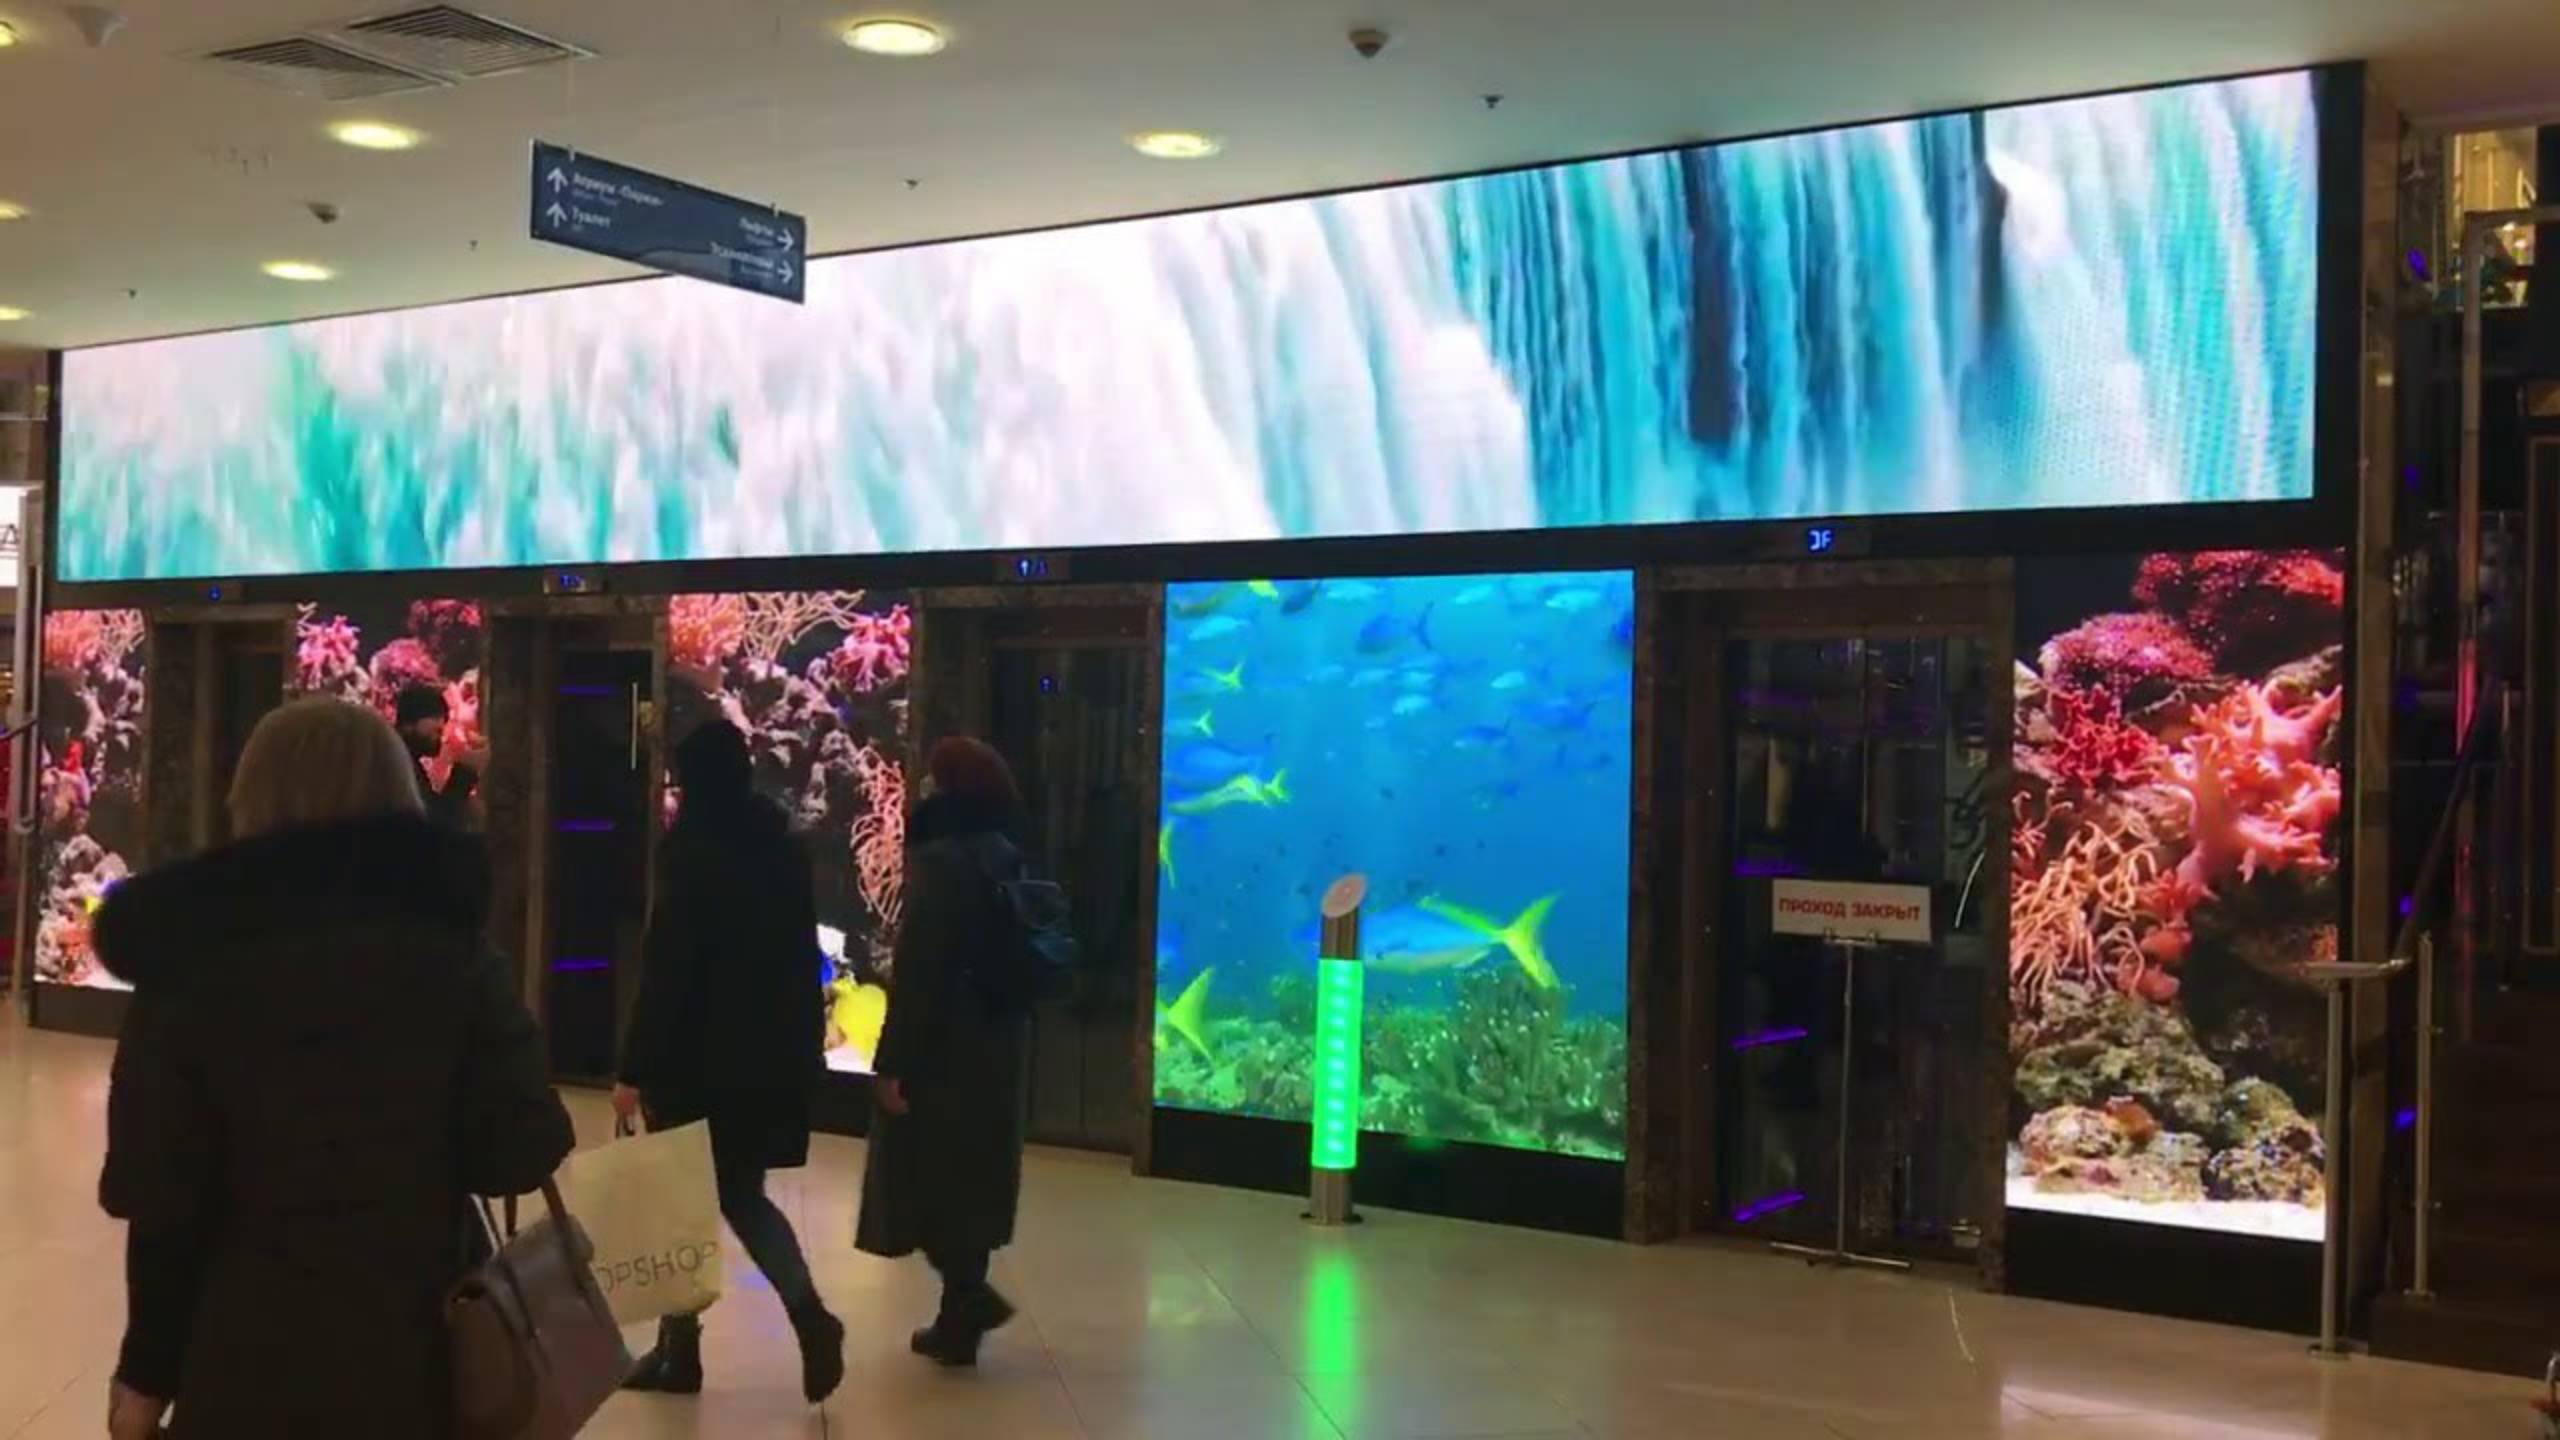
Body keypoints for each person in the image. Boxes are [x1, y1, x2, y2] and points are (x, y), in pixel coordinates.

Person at [94, 697, 574, 1440]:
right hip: (418, 1360)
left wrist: (145, 1376)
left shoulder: (187, 969)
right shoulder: (454, 956)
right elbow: (522, 1149)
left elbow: (162, 1202)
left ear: (249, 796)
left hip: (240, 1364)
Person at [613, 720, 845, 1404]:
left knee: (682, 1202)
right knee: (741, 1194)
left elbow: (668, 969)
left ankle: (685, 1351)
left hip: (693, 1059)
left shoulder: (691, 853)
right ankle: (791, 1319)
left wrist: (633, 1067)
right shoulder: (781, 848)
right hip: (765, 1056)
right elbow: (800, 959)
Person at [857, 736, 1034, 1367]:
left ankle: (968, 1299)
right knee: (973, 1176)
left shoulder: (942, 863)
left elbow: (919, 969)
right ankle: (960, 1312)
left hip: (943, 1046)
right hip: (998, 1040)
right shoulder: (1008, 853)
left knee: (924, 1174)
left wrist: (891, 1062)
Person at [394, 683, 481, 829]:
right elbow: (431, 822)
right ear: (409, 723)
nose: (440, 739)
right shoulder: (397, 765)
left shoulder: (405, 760)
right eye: (436, 731)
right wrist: (465, 770)